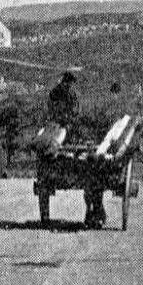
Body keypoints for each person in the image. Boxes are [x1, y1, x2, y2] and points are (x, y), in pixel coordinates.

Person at [47, 72, 105, 229]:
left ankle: (94, 211)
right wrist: (66, 119)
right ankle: (92, 212)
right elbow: (56, 111)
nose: (69, 86)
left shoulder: (68, 93)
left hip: (68, 126)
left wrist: (69, 118)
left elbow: (75, 110)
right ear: (66, 82)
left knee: (93, 186)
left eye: (69, 83)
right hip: (63, 126)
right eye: (68, 83)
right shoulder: (57, 93)